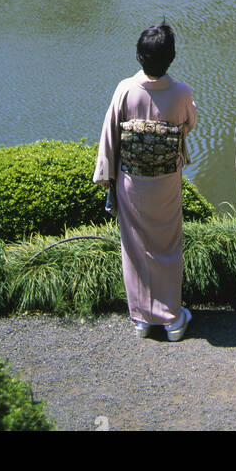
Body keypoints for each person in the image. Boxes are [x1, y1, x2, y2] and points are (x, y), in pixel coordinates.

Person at [93, 21, 198, 341]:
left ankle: (142, 318)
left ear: (139, 56)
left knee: (136, 247)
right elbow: (189, 123)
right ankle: (172, 319)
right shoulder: (181, 92)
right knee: (167, 245)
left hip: (132, 182)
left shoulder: (125, 89)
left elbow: (109, 135)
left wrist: (106, 176)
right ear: (172, 57)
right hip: (166, 180)